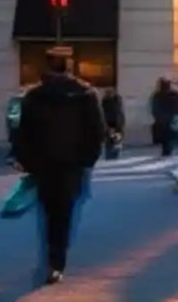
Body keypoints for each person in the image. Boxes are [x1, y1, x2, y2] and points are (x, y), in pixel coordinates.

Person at [11, 50, 106, 285]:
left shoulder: (33, 97)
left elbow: (22, 133)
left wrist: (27, 161)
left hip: (43, 164)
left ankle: (51, 258)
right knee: (64, 212)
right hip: (72, 164)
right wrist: (88, 160)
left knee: (49, 211)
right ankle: (56, 261)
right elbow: (97, 132)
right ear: (69, 67)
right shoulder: (85, 95)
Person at [150, 79, 178, 157]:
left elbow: (154, 107)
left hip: (162, 118)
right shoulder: (174, 95)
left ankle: (167, 150)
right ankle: (169, 149)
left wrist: (157, 116)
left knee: (165, 136)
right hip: (170, 118)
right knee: (170, 135)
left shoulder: (157, 95)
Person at [101, 89, 125, 160]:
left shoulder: (107, 102)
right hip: (113, 124)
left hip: (113, 124)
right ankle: (113, 155)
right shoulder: (114, 102)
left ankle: (112, 155)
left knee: (113, 140)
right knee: (113, 140)